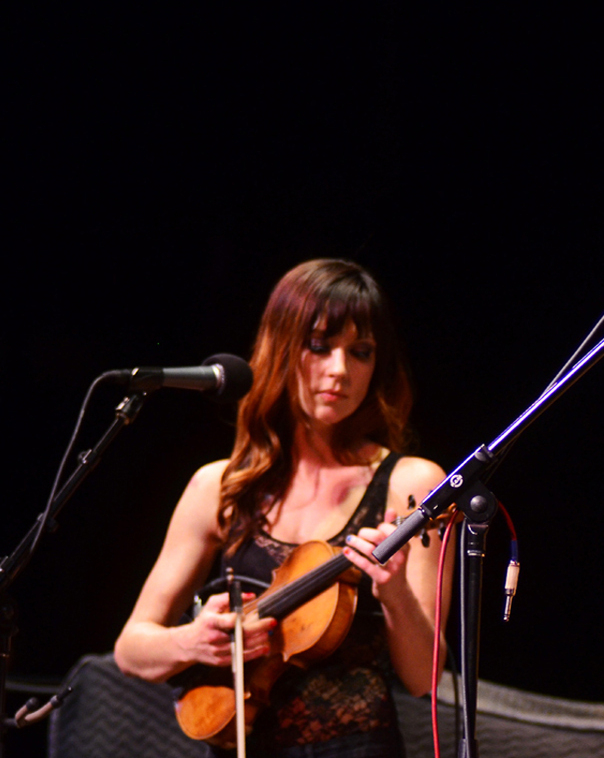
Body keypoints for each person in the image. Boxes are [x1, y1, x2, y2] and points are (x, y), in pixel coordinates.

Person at [114, 259, 454, 757]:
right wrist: (195, 641)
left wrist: (395, 590)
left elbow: (425, 678)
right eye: (319, 347)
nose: (340, 370)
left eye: (360, 353)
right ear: (281, 348)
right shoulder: (219, 487)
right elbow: (130, 649)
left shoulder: (412, 482)